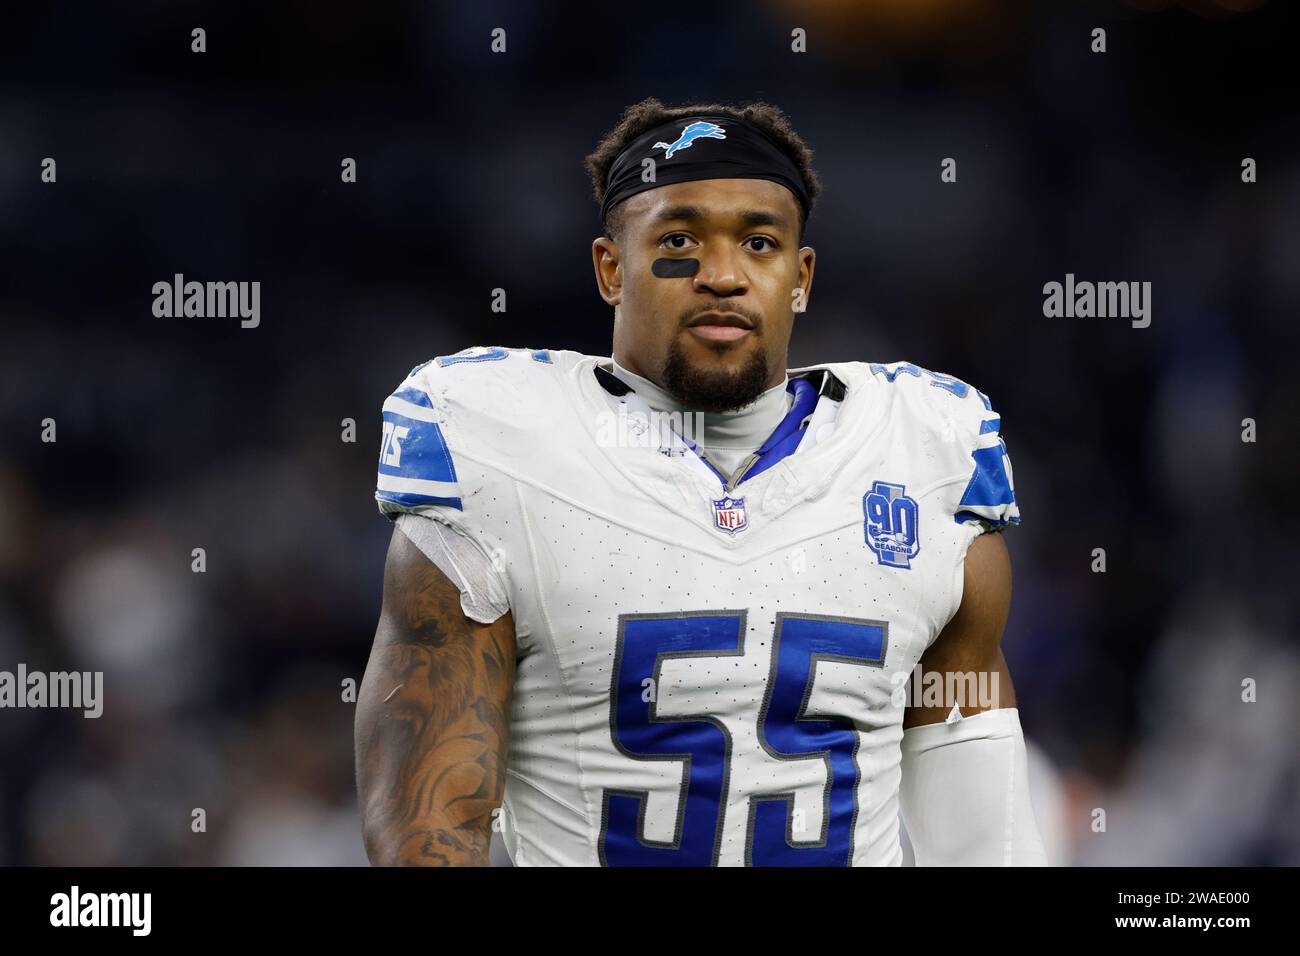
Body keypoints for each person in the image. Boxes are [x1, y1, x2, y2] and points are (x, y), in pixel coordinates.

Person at [354, 97, 1045, 866]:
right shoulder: (498, 445)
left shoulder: (925, 450)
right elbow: (429, 825)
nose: (722, 275)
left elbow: (984, 833)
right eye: (679, 240)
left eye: (758, 242)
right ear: (611, 268)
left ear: (800, 275)